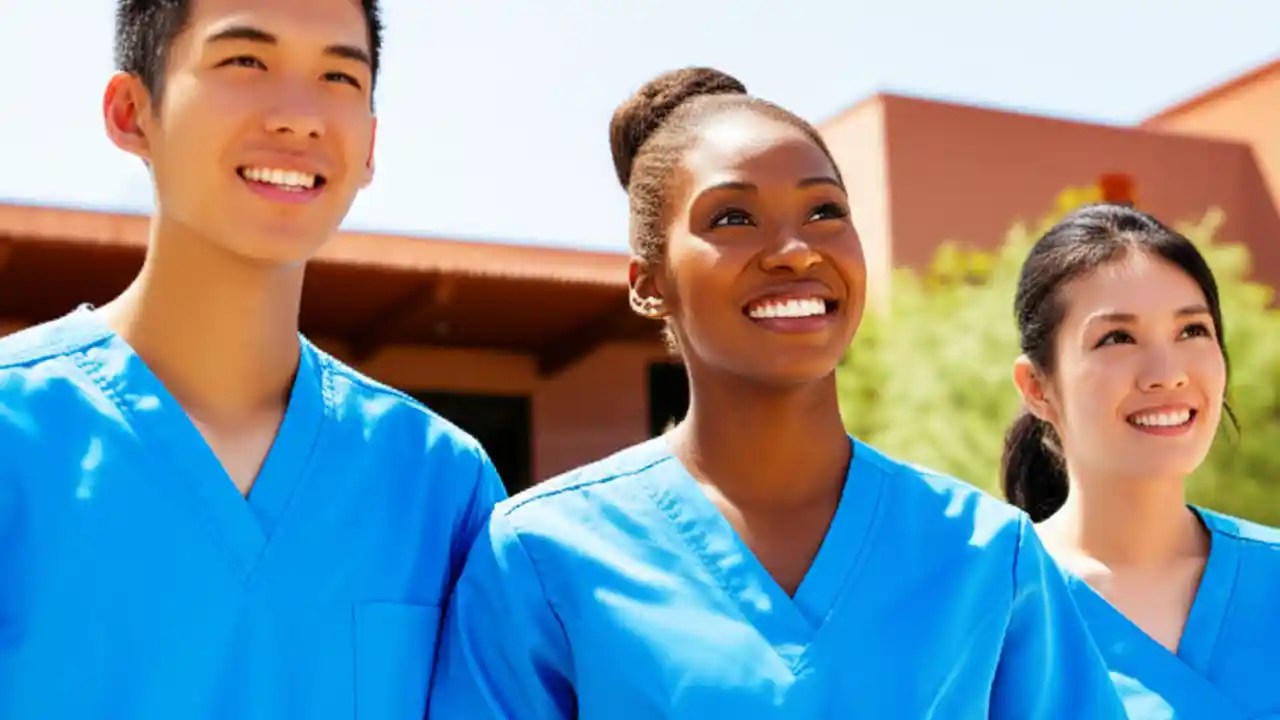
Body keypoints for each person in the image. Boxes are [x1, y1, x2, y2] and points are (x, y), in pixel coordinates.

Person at [428, 66, 1125, 719]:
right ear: (648, 284)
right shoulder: (541, 556)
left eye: (825, 211)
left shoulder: (986, 554)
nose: (796, 250)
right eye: (732, 218)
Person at [0, 1, 504, 718]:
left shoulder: (441, 485)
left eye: (339, 75)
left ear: (368, 148)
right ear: (131, 112)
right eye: (245, 60)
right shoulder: (17, 436)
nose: (299, 116)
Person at [1003, 203, 1280, 718]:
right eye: (1117, 338)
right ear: (1037, 387)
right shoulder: (981, 606)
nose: (1167, 373)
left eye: (1192, 331)